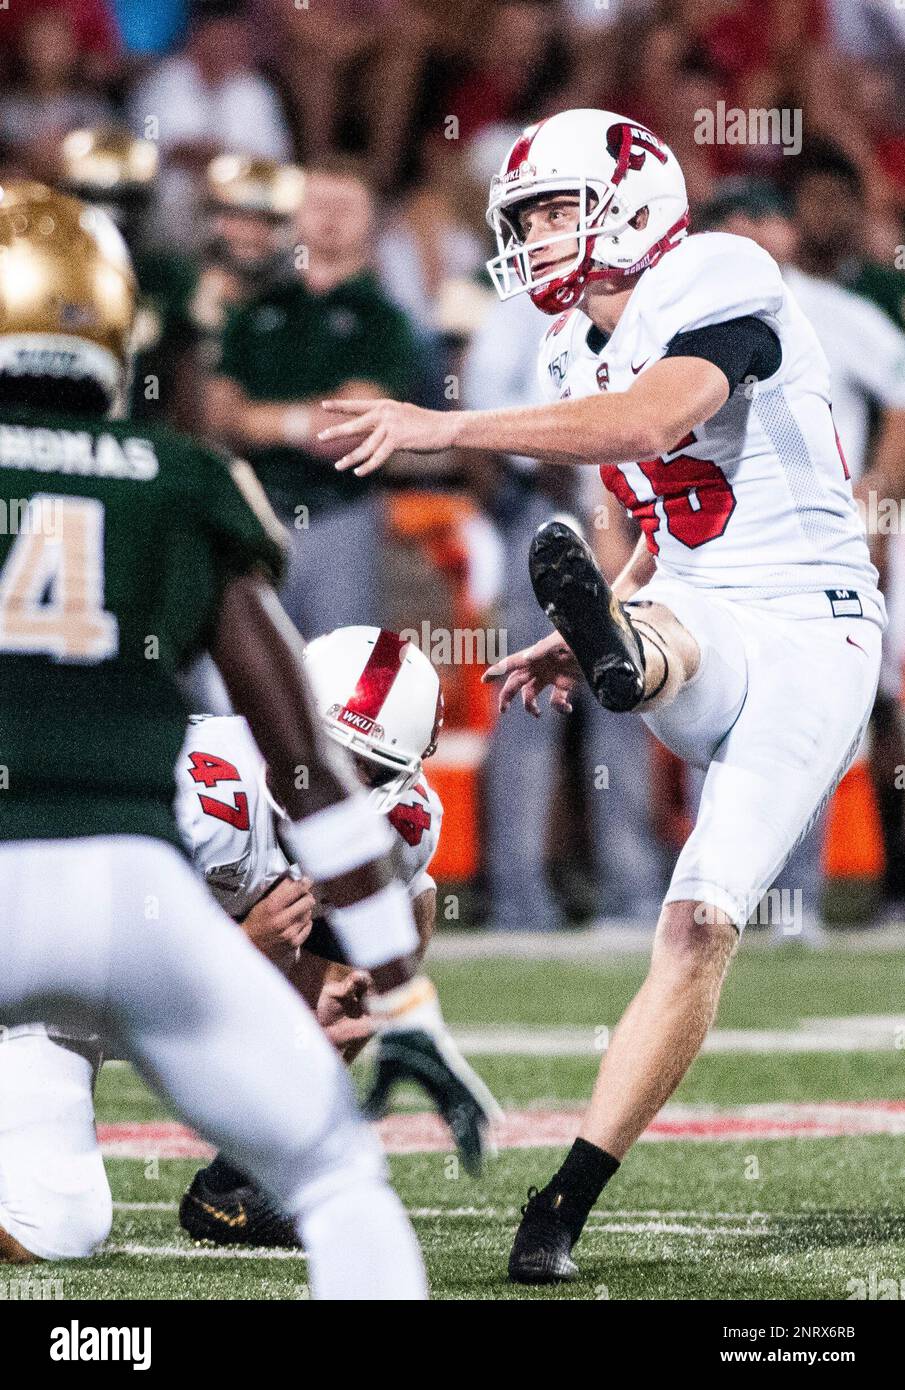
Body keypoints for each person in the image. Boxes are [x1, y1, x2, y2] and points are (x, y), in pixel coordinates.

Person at [317, 109, 885, 1283]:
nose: (529, 237)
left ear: (631, 198)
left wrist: (445, 421)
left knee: (698, 922)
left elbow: (653, 419)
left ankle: (565, 1191)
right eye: (518, 218)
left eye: (548, 210)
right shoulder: (576, 344)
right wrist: (601, 621)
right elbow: (658, 508)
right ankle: (624, 652)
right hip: (697, 607)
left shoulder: (717, 269)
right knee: (663, 638)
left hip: (816, 625)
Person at [0, 183, 493, 1294]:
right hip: (118, 889)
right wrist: (402, 1000)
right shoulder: (180, 481)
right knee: (338, 1176)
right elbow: (307, 759)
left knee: (64, 1222)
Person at [0, 626, 451, 1257]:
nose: (330, 776)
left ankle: (241, 1181)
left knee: (371, 963)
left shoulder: (403, 828)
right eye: (325, 748)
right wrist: (244, 949)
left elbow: (415, 900)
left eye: (366, 767)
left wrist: (345, 1003)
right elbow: (86, 951)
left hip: (171, 1002)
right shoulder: (200, 795)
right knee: (57, 1230)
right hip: (41, 994)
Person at [205, 158, 417, 636]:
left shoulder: (382, 318)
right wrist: (307, 420)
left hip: (343, 514)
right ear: (296, 212)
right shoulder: (257, 307)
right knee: (244, 676)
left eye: (345, 207)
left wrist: (262, 421)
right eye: (318, 204)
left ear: (372, 221)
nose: (329, 219)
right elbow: (219, 417)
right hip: (257, 514)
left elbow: (352, 430)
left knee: (343, 678)